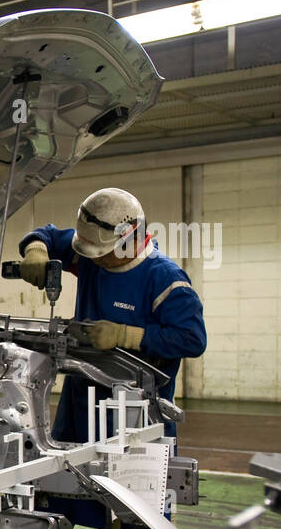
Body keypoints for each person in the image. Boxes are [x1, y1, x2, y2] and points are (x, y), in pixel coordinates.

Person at [16, 187, 206, 444]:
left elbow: (192, 339)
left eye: (101, 253)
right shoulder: (92, 253)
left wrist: (126, 335)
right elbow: (47, 235)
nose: (93, 260)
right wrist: (36, 249)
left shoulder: (165, 279)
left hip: (133, 411)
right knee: (65, 472)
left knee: (127, 480)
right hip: (79, 400)